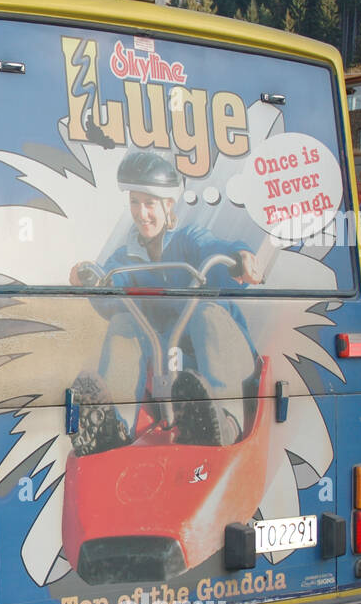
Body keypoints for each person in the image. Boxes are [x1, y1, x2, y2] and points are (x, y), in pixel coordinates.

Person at [69, 151, 263, 452]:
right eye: (135, 202)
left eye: (149, 203)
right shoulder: (125, 258)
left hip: (214, 355)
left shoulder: (188, 239)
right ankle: (115, 428)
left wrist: (240, 256)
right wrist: (91, 280)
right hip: (161, 359)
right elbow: (109, 290)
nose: (141, 212)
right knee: (123, 322)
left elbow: (214, 249)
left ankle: (225, 420)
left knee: (205, 313)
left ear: (168, 204)